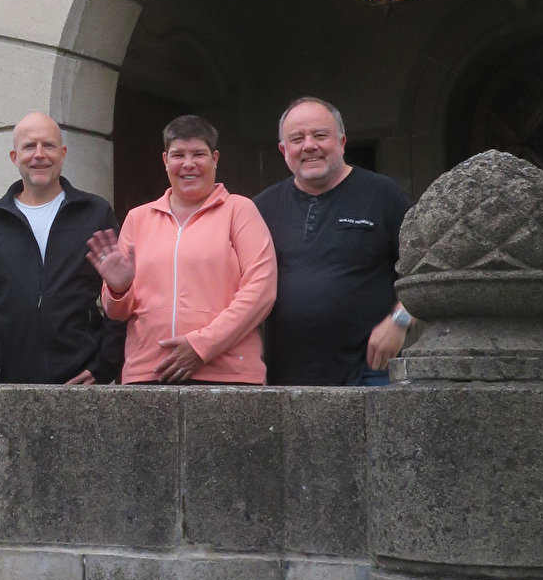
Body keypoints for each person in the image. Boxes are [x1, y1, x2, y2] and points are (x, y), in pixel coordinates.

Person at [87, 115, 277, 384]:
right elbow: (117, 312)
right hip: (147, 373)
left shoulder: (240, 210)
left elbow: (261, 291)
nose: (188, 164)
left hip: (225, 373)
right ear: (165, 160)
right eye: (178, 155)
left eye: (198, 154)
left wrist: (202, 346)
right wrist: (118, 290)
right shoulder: (138, 218)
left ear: (215, 159)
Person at [0, 112, 125, 384]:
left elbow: (118, 295)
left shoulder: (94, 213)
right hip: (5, 384)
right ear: (14, 157)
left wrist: (103, 366)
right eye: (29, 146)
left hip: (79, 382)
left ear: (63, 153)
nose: (39, 155)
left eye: (48, 145)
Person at [254, 97, 412, 386]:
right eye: (297, 139)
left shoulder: (384, 195)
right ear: (283, 150)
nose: (309, 145)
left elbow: (427, 270)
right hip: (284, 377)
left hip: (371, 371)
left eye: (320, 135)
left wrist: (400, 321)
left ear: (342, 142)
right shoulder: (261, 209)